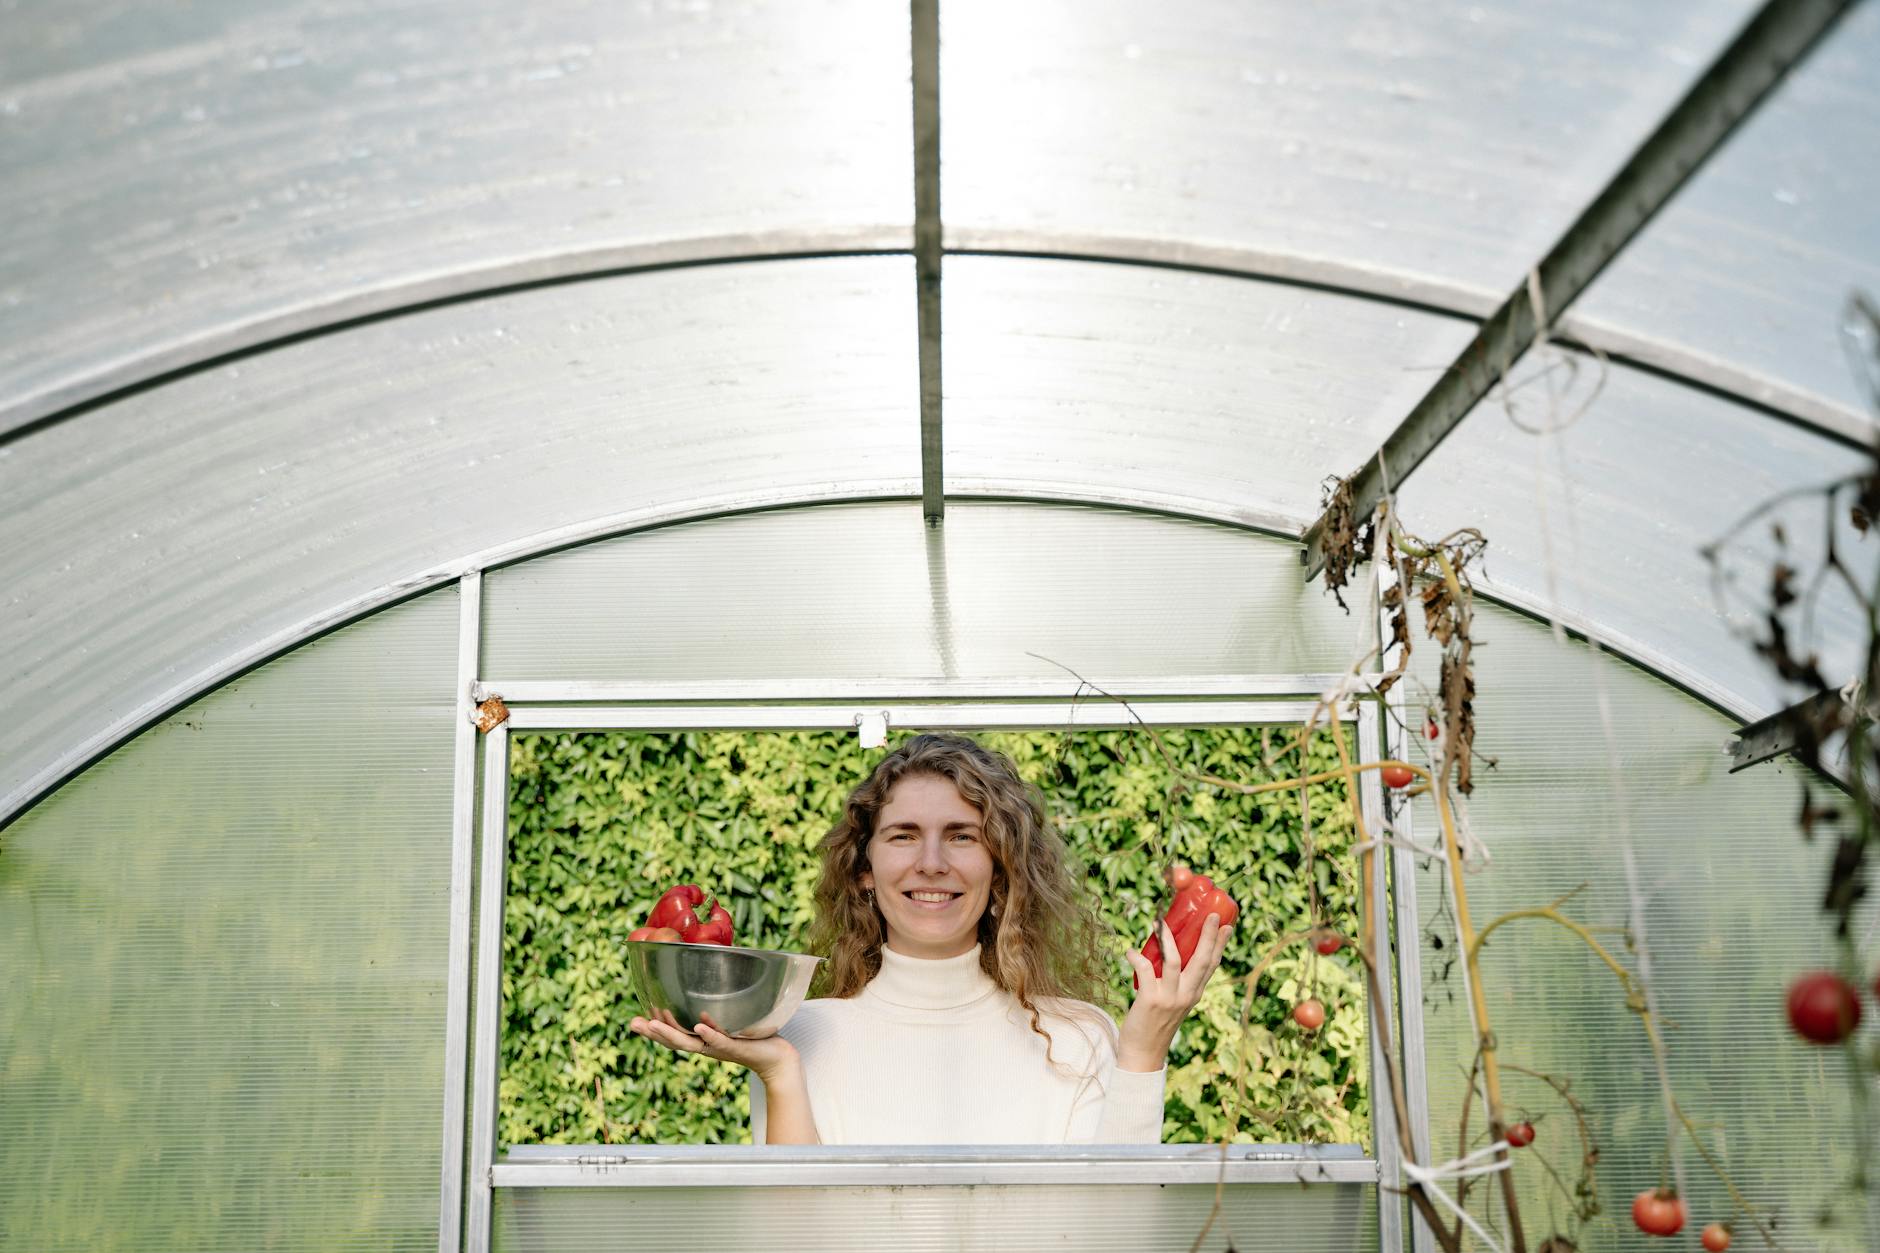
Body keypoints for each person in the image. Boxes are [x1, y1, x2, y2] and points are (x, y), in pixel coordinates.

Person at [628, 732, 1232, 1144]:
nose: (933, 862)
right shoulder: (798, 1037)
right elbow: (799, 1237)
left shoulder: (1080, 1038)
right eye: (903, 835)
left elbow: (1114, 1235)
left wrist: (1144, 1051)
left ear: (1001, 868)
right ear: (863, 872)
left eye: (963, 836)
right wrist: (781, 1072)